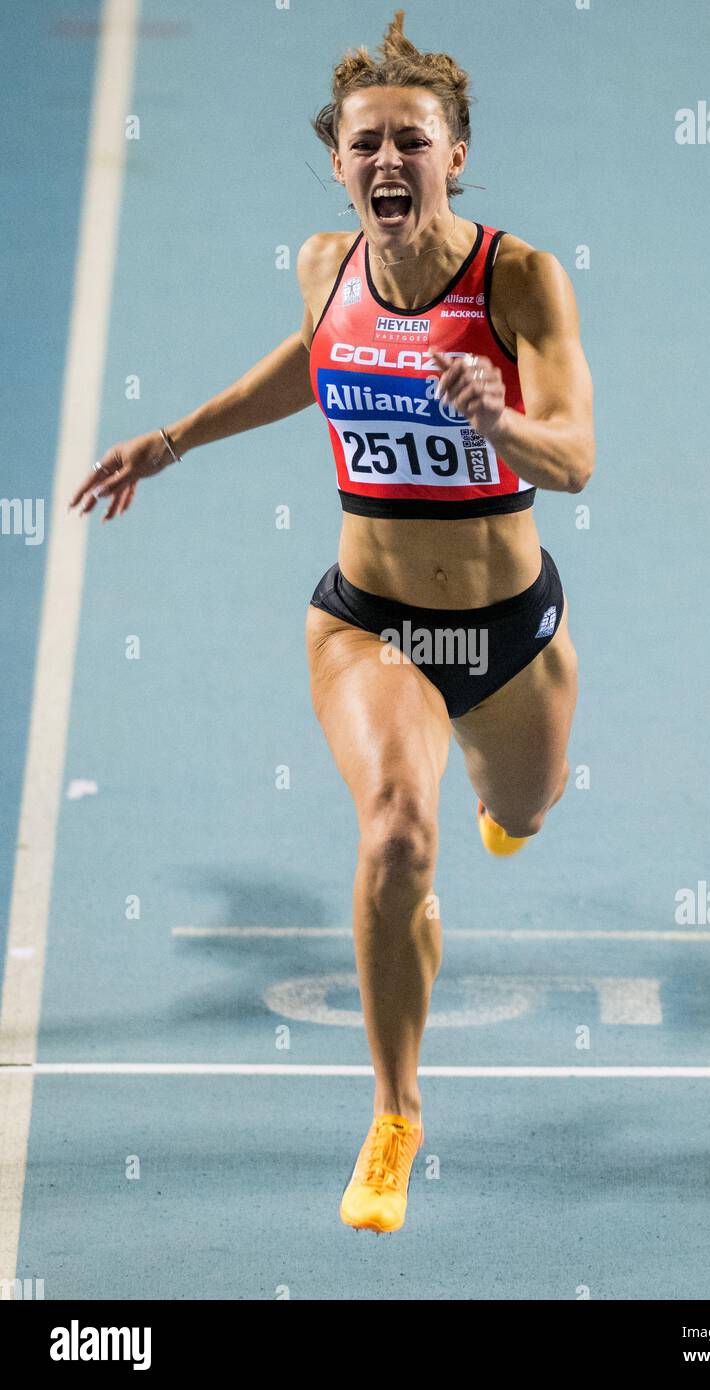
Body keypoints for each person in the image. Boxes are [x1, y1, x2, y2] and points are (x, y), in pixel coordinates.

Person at [69, 9, 594, 1235]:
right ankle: (396, 1111)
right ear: (339, 157)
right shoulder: (325, 264)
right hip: (370, 624)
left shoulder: (517, 280)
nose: (387, 162)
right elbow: (313, 360)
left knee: (519, 810)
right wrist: (173, 436)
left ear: (455, 153)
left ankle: (503, 806)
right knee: (398, 839)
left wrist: (496, 422)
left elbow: (574, 458)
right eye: (366, 144)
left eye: (413, 139)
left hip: (508, 628)